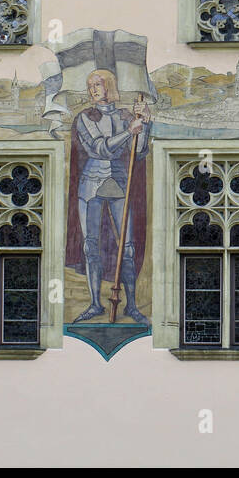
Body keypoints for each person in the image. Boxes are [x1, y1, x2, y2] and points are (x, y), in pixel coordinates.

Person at [68, 69, 151, 323]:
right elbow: (99, 148)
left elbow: (139, 152)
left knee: (127, 247)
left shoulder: (127, 115)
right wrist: (130, 131)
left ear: (110, 86)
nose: (93, 89)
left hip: (119, 183)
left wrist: (144, 125)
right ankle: (95, 304)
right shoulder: (85, 117)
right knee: (91, 246)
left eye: (98, 84)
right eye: (90, 85)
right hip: (91, 185)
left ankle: (132, 306)